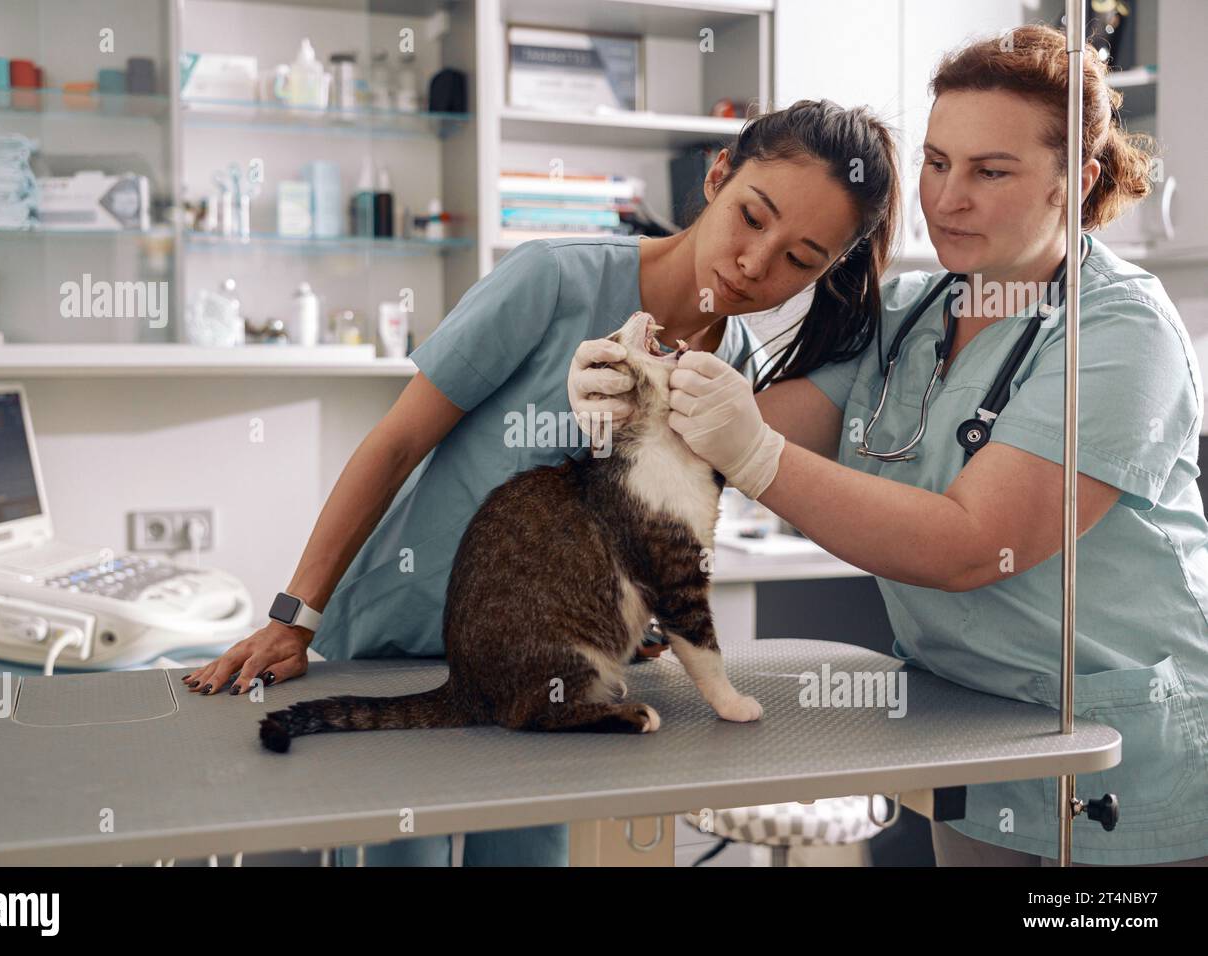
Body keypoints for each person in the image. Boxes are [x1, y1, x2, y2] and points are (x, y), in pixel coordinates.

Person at [178, 100, 903, 866]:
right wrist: (295, 616)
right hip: (406, 642)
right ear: (718, 176)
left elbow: (653, 523)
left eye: (801, 259)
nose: (758, 263)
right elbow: (394, 444)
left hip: (553, 674)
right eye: (752, 217)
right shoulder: (552, 280)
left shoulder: (738, 369)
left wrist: (631, 612)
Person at [572, 25, 1207, 866]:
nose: (948, 199)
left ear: (1074, 183)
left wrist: (754, 452)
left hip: (1115, 750)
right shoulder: (907, 313)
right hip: (965, 736)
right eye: (938, 163)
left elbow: (978, 545)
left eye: (992, 171)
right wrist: (641, 392)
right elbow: (754, 423)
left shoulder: (1121, 334)